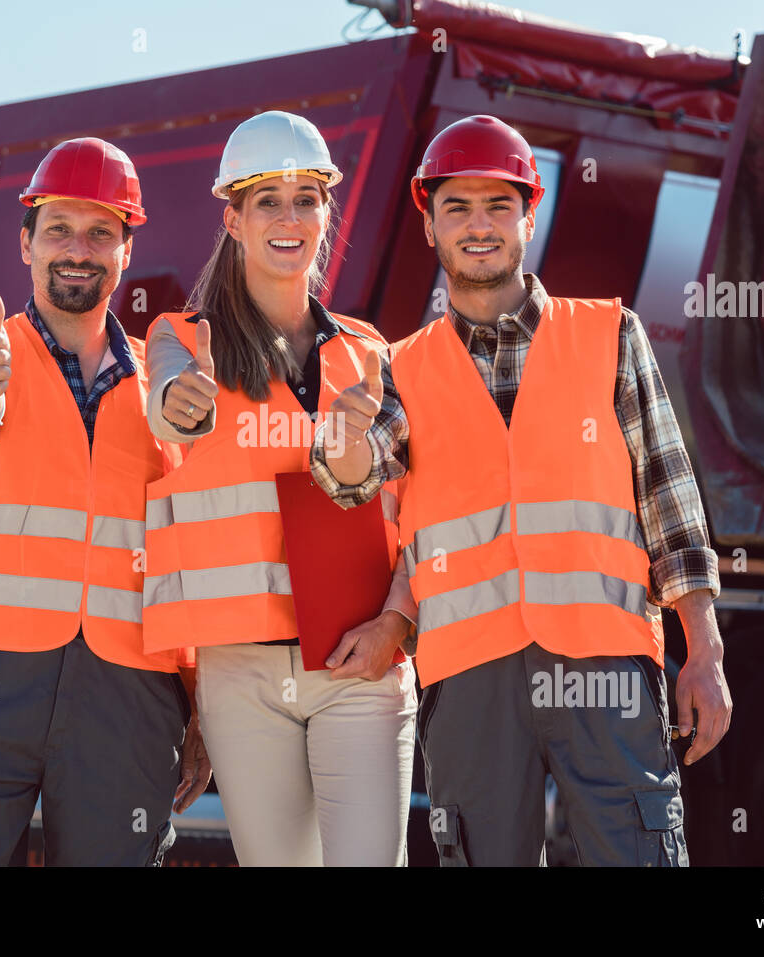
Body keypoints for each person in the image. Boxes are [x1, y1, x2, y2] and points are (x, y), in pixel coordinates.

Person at [314, 114, 733, 866]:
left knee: (638, 853)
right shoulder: (400, 369)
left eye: (497, 206)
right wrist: (343, 446)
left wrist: (704, 649)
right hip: (473, 677)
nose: (479, 226)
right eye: (457, 208)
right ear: (430, 227)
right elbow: (354, 480)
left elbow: (672, 506)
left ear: (528, 218)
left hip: (605, 664)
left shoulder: (611, 334)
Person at [0, 137, 210, 867]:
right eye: (60, 230)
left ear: (126, 251)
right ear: (26, 244)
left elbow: (185, 563)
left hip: (130, 692)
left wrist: (197, 706)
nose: (79, 248)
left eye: (101, 231)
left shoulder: (164, 397)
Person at [141, 111, 417, 866]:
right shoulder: (183, 339)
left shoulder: (371, 353)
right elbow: (163, 395)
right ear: (232, 217)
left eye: (306, 199)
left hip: (361, 662)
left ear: (328, 212)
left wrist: (397, 623)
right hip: (242, 676)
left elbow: (421, 512)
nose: (289, 218)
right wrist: (179, 400)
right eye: (267, 201)